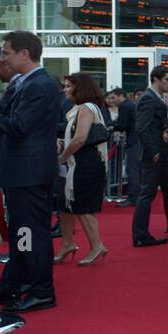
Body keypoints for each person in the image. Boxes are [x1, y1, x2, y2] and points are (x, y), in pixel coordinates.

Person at [0, 31, 64, 314]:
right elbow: (15, 117)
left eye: (6, 52)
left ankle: (42, 290)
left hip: (29, 172)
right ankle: (18, 281)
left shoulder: (39, 84)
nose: (2, 58)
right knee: (23, 231)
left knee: (32, 232)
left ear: (24, 54)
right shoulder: (32, 83)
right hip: (23, 171)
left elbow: (20, 125)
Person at [55, 73, 109, 267]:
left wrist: (62, 156)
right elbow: (74, 138)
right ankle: (68, 243)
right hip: (80, 163)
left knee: (82, 206)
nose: (65, 89)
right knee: (65, 205)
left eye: (69, 86)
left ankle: (97, 246)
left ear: (80, 88)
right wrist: (62, 145)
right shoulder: (80, 108)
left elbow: (80, 138)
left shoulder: (86, 108)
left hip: (86, 164)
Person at [131, 65, 168, 246]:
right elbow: (142, 128)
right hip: (152, 153)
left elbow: (156, 124)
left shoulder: (159, 98)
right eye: (167, 79)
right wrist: (153, 150)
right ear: (156, 79)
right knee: (147, 193)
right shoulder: (148, 98)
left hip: (159, 150)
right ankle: (140, 235)